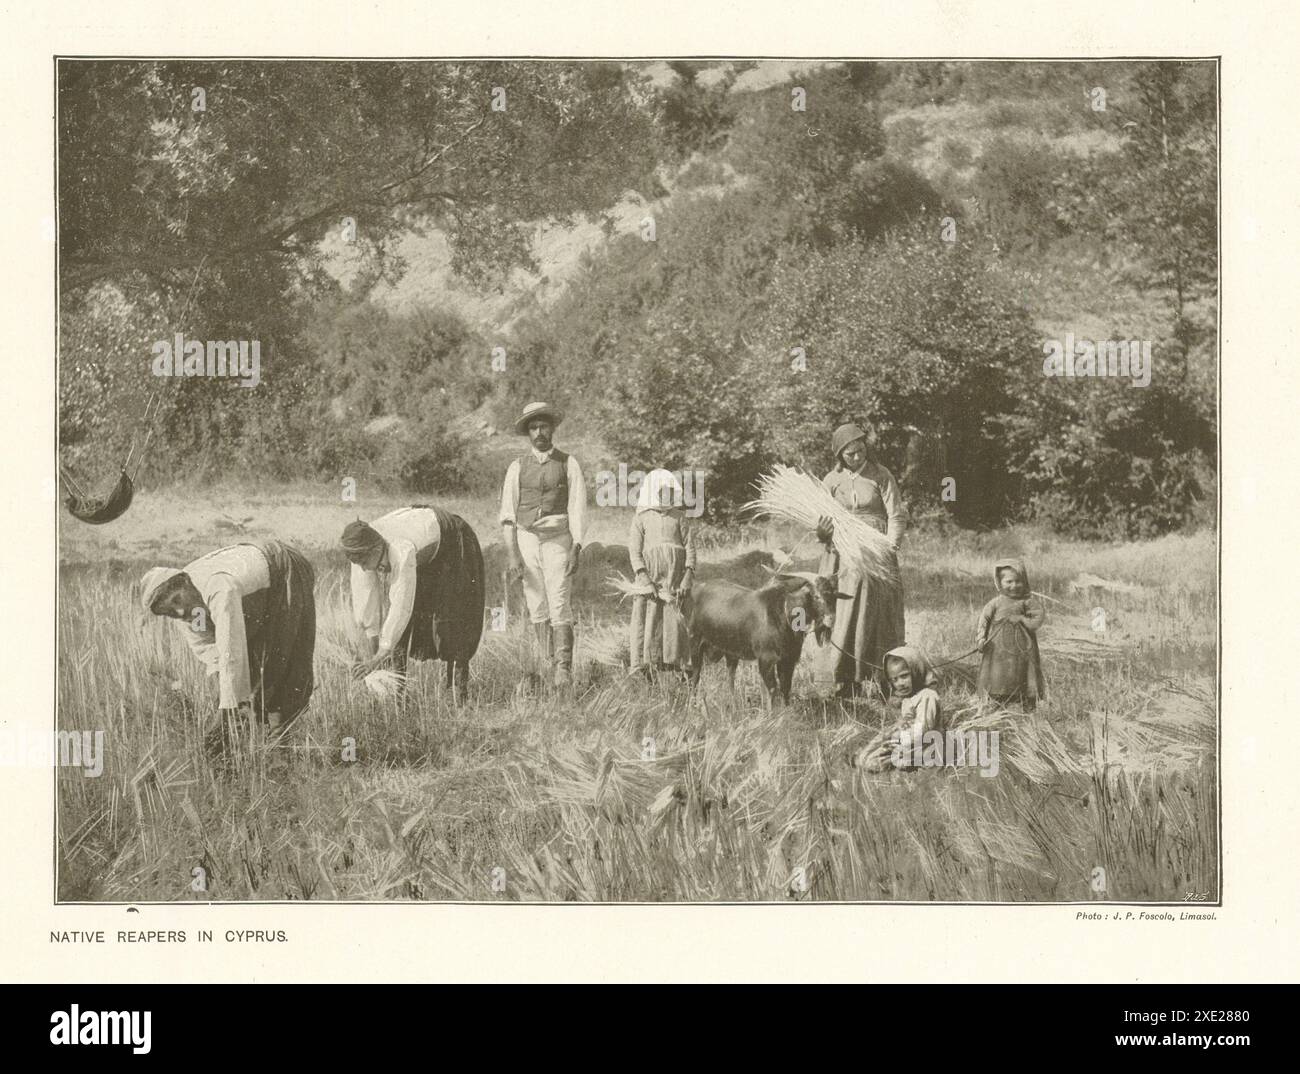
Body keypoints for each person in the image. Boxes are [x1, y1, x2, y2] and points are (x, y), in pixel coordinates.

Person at [140, 540, 316, 748]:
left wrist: (227, 712)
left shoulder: (219, 587)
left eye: (177, 601)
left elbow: (231, 650)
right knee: (246, 682)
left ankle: (280, 746)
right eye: (170, 612)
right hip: (252, 599)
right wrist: (227, 703)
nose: (179, 612)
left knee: (278, 665)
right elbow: (210, 650)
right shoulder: (188, 612)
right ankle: (254, 745)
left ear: (186, 582)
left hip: (283, 569)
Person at [341, 505, 485, 703]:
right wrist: (373, 648)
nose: (365, 569)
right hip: (424, 549)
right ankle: (398, 694)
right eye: (361, 564)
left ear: (376, 549)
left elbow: (402, 605)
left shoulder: (401, 550)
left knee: (453, 619)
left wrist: (380, 655)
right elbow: (366, 600)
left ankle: (457, 692)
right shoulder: (359, 549)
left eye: (366, 563)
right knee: (400, 632)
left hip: (452, 539)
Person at [814, 422, 907, 698]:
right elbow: (820, 519)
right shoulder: (831, 481)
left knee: (877, 613)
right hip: (843, 553)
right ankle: (846, 679)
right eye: (850, 454)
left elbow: (897, 514)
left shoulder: (881, 475)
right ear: (840, 455)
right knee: (844, 610)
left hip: (876, 550)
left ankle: (882, 677)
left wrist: (890, 545)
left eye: (860, 450)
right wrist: (822, 532)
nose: (857, 457)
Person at [499, 401, 587, 686]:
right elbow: (508, 515)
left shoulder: (568, 463)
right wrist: (513, 556)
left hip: (558, 538)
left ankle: (563, 669)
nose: (539, 432)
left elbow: (577, 509)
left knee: (559, 599)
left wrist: (576, 547)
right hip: (527, 539)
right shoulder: (517, 467)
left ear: (552, 428)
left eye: (543, 426)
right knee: (536, 602)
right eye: (534, 427)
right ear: (528, 432)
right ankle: (547, 662)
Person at [627, 468, 697, 679]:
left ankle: (677, 668)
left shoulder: (679, 517)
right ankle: (646, 669)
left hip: (675, 582)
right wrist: (644, 578)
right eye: (661, 491)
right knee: (649, 622)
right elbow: (634, 551)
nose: (665, 496)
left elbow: (690, 548)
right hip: (650, 582)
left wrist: (687, 576)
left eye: (669, 491)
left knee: (675, 623)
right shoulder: (641, 518)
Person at [975, 556, 1047, 711]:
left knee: (1023, 673)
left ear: (1025, 581)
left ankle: (1025, 703)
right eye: (1009, 581)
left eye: (1018, 581)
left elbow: (1038, 618)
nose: (1014, 586)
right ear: (999, 582)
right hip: (998, 651)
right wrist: (981, 639)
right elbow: (984, 620)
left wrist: (1021, 618)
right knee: (998, 675)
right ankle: (998, 702)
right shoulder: (995, 603)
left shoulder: (1027, 602)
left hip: (1023, 650)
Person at [859, 645, 941, 771]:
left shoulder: (927, 696)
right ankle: (866, 758)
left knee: (874, 761)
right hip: (909, 742)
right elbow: (904, 723)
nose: (900, 683)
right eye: (894, 680)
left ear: (916, 670)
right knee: (870, 756)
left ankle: (909, 765)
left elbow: (923, 728)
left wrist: (898, 737)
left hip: (926, 743)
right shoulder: (908, 699)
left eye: (904, 676)